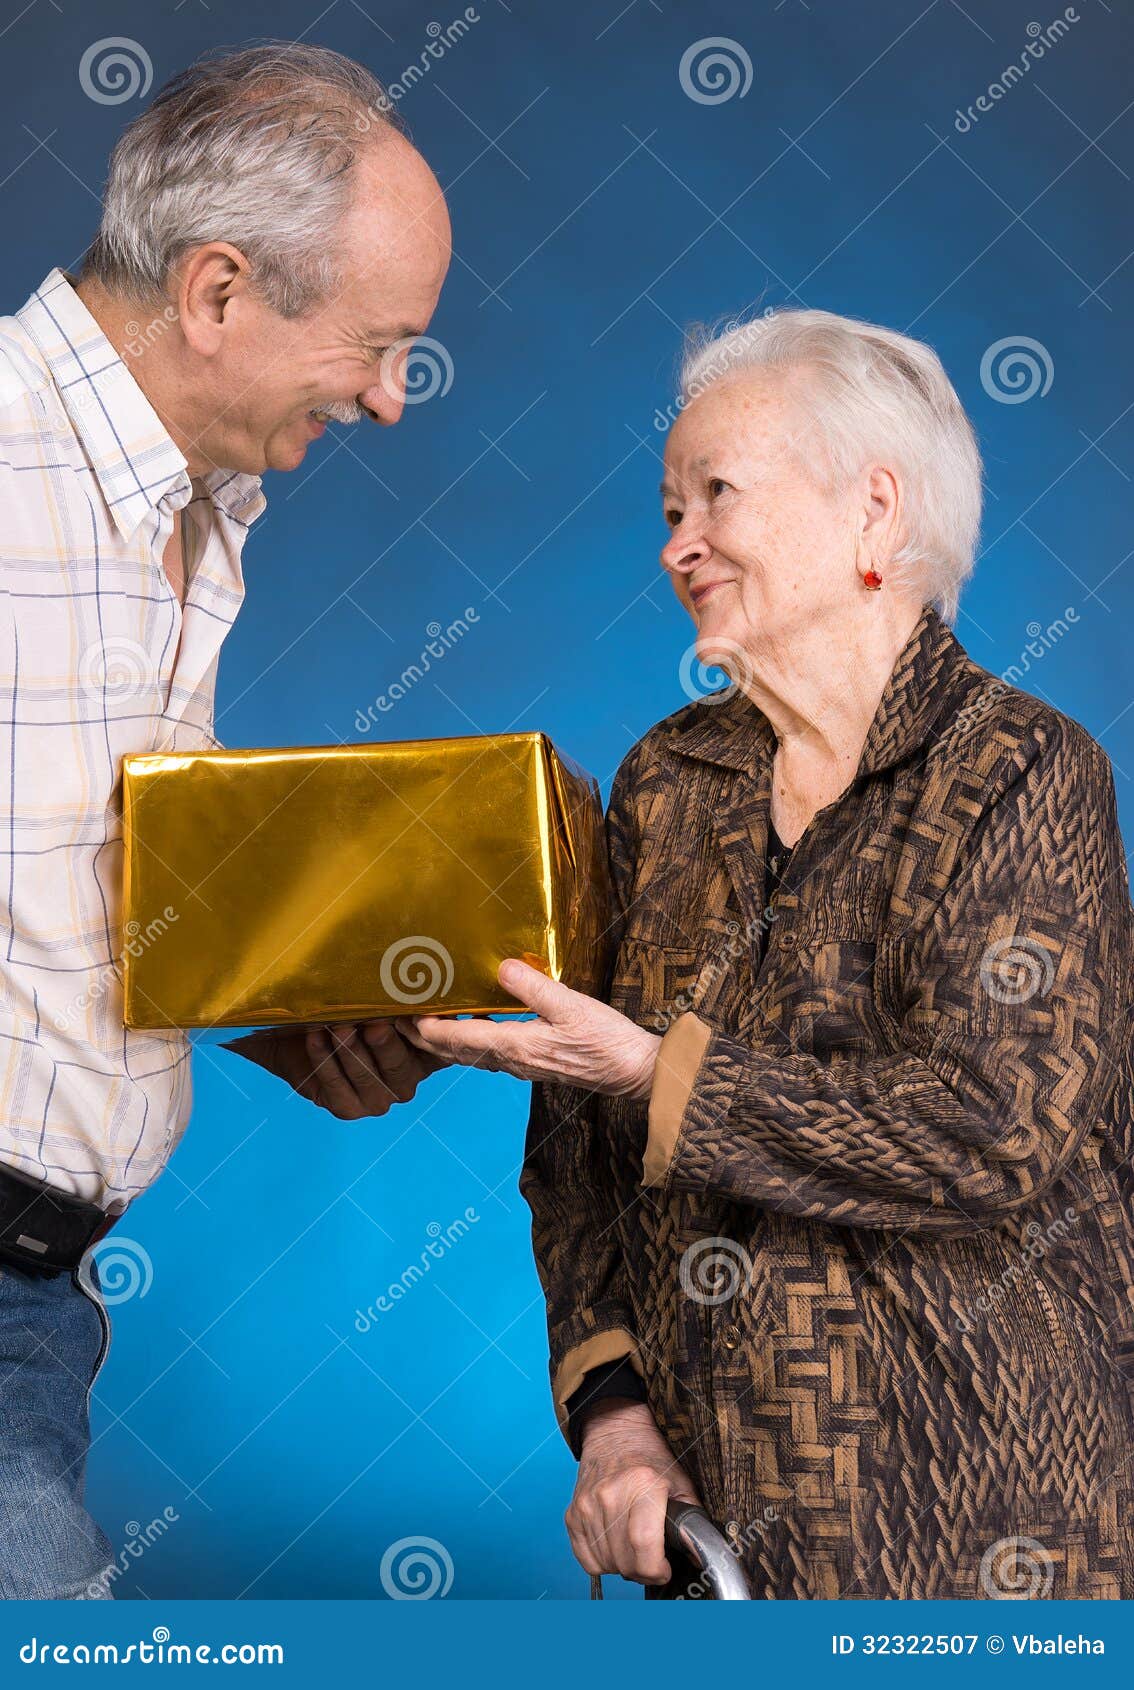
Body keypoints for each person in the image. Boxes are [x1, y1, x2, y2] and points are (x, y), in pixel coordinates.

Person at [401, 309, 1134, 1599]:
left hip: (992, 1531)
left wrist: (661, 1074)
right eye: (668, 508)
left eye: (717, 496)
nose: (676, 544)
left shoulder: (1025, 770)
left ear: (874, 511)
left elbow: (994, 1128)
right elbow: (576, 1163)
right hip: (720, 1544)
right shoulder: (668, 782)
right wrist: (615, 1422)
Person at [0, 43, 449, 1598]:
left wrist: (268, 1004)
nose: (390, 399)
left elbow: (55, 888)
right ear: (213, 292)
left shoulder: (188, 511)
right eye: (379, 346)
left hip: (42, 1306)